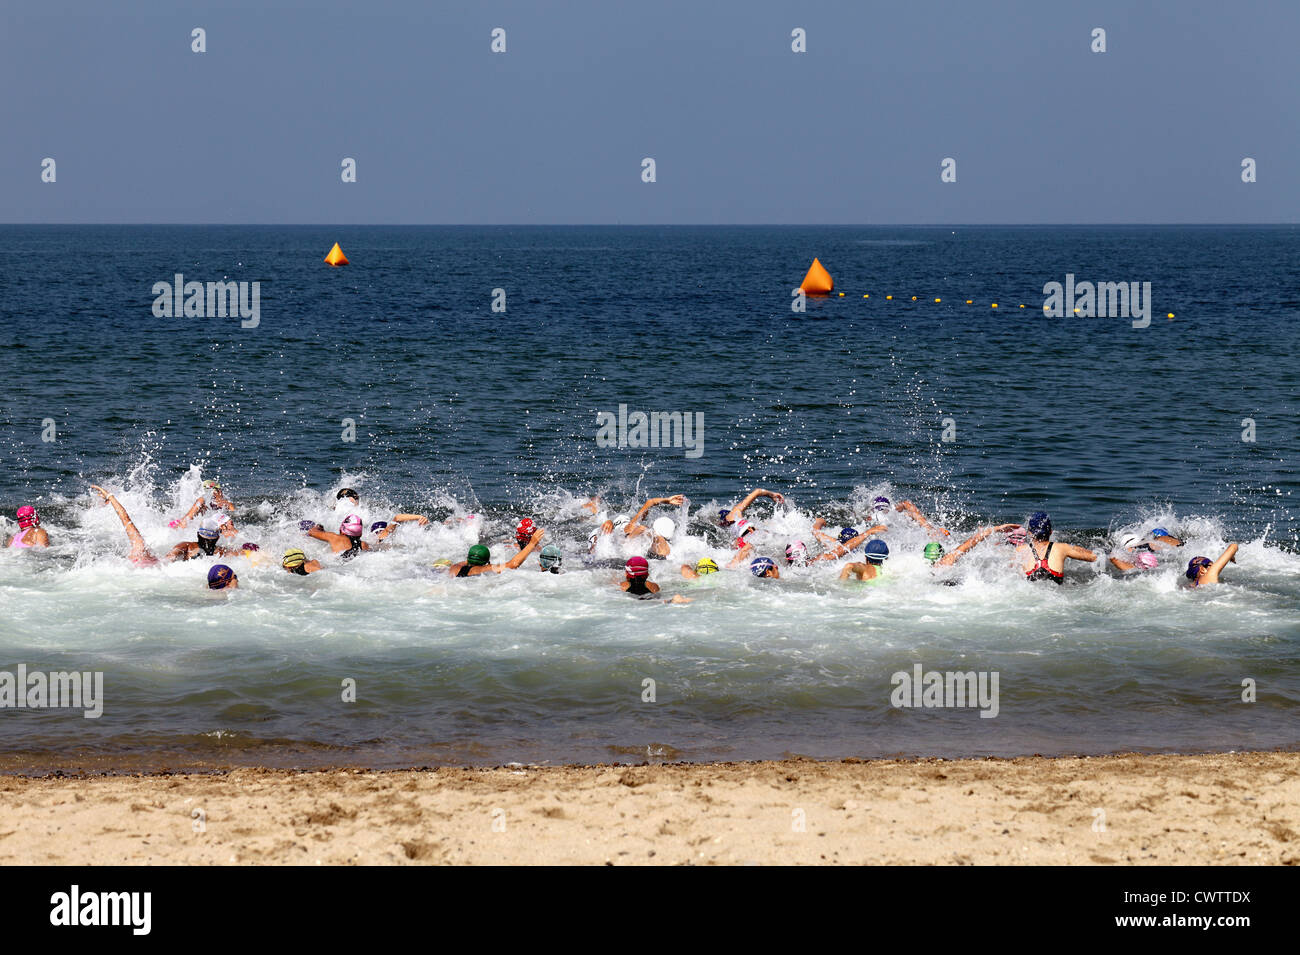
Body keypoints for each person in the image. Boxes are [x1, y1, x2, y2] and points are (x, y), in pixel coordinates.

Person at [1019, 511, 1096, 584]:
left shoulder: (1021, 550)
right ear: (1050, 532)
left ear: (1029, 533)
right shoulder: (1062, 548)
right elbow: (1094, 557)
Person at [90, 485, 159, 565]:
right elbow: (125, 518)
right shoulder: (162, 563)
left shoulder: (140, 549)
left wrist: (109, 496)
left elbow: (124, 517)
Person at [450, 527, 545, 577]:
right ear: (487, 562)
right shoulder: (485, 570)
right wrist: (532, 543)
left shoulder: (455, 568)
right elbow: (513, 565)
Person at [168, 516, 241, 561]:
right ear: (217, 538)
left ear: (198, 534)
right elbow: (243, 552)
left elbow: (167, 559)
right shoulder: (222, 552)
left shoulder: (187, 546)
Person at [619, 555, 691, 602]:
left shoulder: (622, 586)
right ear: (647, 574)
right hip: (653, 600)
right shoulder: (654, 586)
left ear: (626, 574)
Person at [305, 514, 370, 558]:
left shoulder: (334, 537)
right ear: (360, 533)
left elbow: (311, 532)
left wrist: (318, 527)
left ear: (343, 528)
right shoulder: (364, 545)